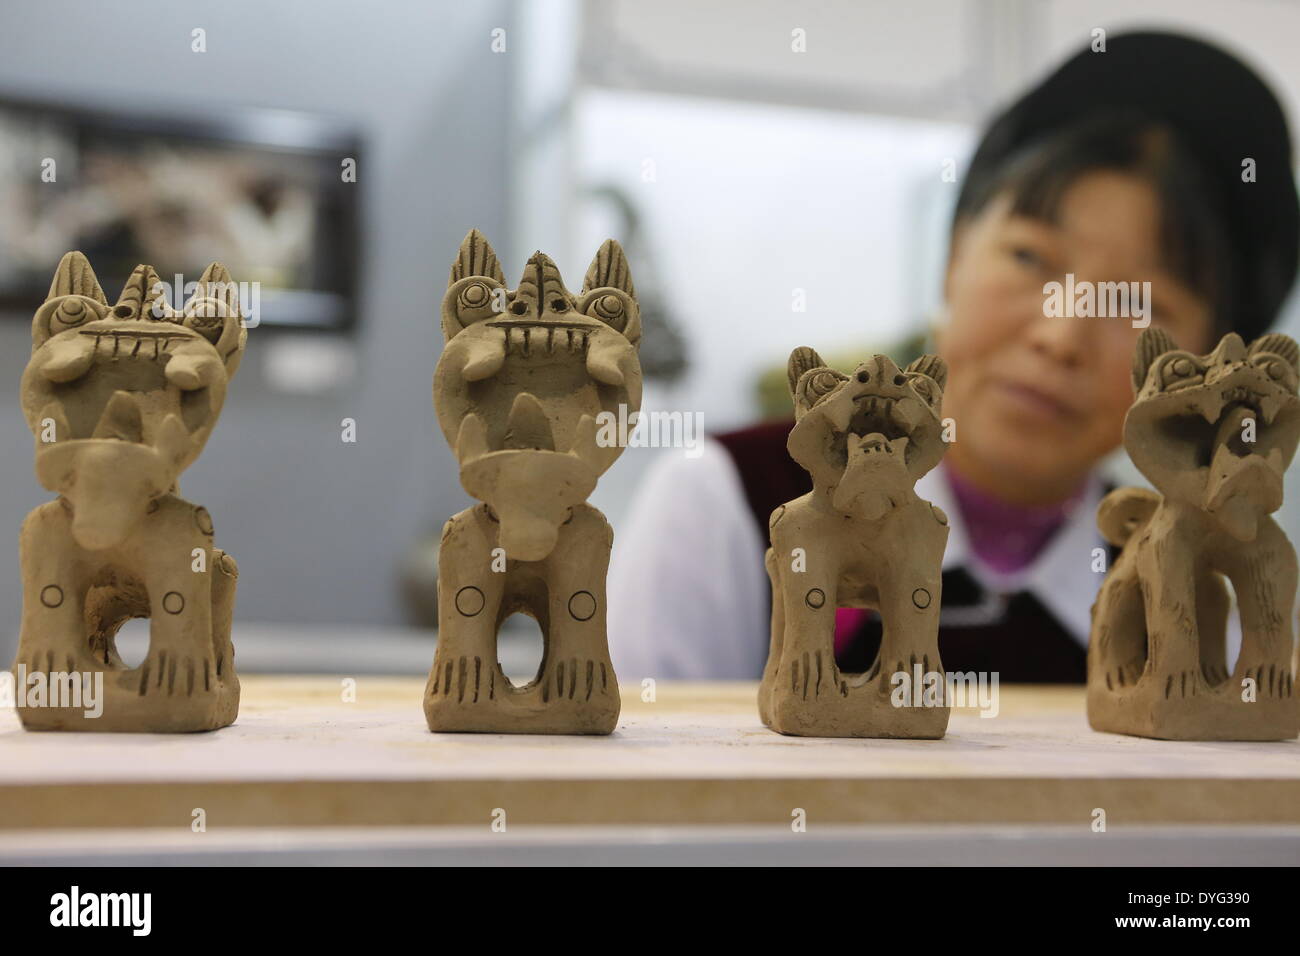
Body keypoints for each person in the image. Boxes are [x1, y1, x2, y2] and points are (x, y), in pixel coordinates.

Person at [606, 31, 1300, 682]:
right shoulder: (730, 502)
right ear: (953, 260)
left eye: (1137, 305)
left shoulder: (1191, 592)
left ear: (1203, 376)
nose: (1060, 337)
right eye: (1031, 257)